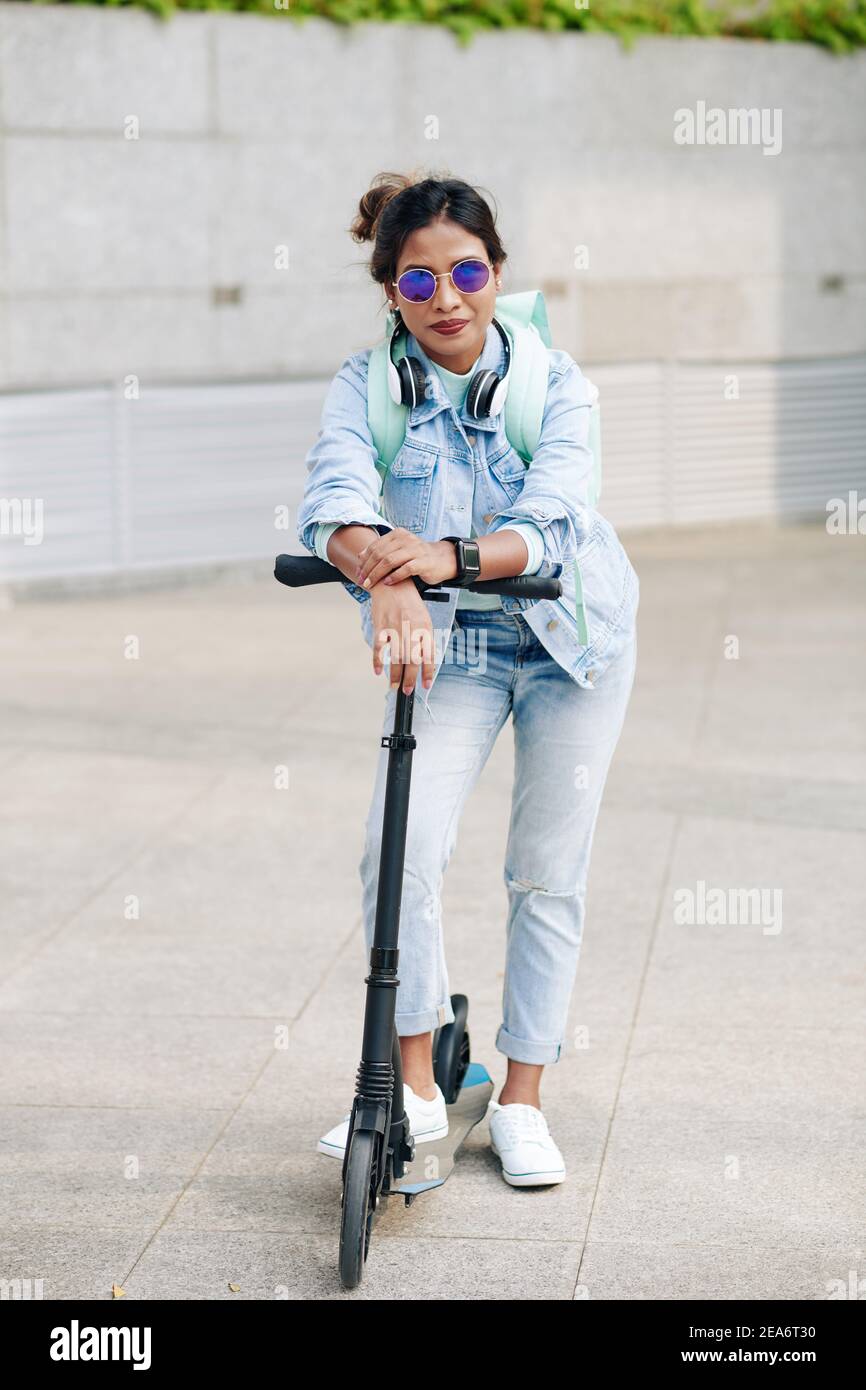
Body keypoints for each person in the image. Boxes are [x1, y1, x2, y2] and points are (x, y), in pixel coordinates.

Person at [297, 170, 639, 1186]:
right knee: (394, 845)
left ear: (494, 273)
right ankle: (411, 1087)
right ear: (390, 290)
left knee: (543, 870)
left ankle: (524, 1098)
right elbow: (332, 499)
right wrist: (388, 585)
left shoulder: (556, 383)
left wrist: (433, 558)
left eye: (466, 271)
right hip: (454, 647)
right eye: (417, 282)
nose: (445, 298)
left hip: (572, 642)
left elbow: (553, 521)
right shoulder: (365, 386)